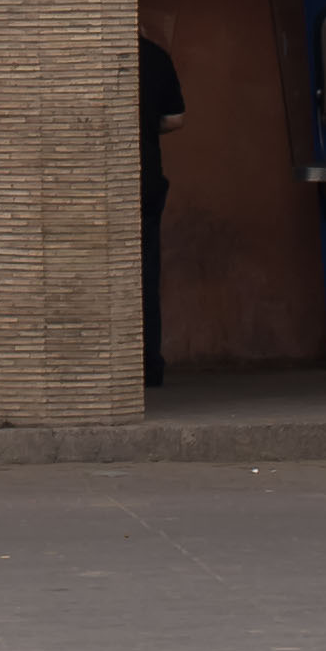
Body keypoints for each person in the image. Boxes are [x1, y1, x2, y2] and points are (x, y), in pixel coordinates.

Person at [137, 26, 186, 388]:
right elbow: (175, 118)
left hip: (96, 185)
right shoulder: (154, 56)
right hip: (146, 178)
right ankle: (147, 364)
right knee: (145, 274)